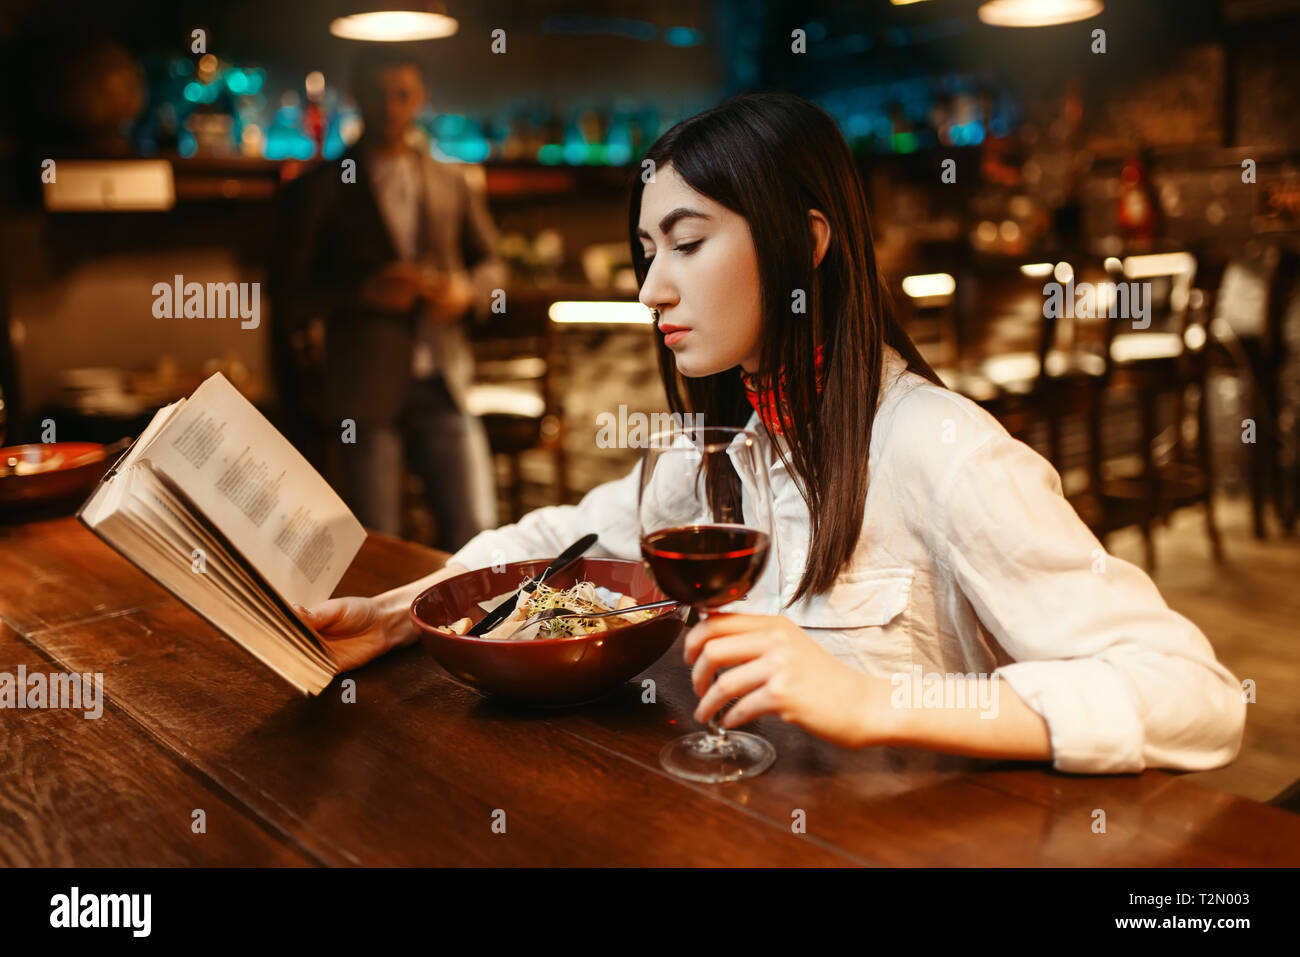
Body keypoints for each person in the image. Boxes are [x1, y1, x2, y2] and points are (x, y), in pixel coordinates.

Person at [296, 91, 1246, 775]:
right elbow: (561, 541)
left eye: (687, 240)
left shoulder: (941, 449)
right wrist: (403, 611)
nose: (649, 287)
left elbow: (1192, 695)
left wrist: (877, 701)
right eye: (645, 251)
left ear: (809, 241)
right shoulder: (723, 448)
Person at [269, 45, 504, 551]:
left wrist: (467, 293)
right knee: (379, 545)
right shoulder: (322, 187)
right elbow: (289, 296)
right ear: (356, 97)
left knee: (476, 534)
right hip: (363, 393)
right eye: (379, 96)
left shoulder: (450, 179)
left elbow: (493, 266)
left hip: (446, 379)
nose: (392, 108)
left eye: (402, 96)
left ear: (421, 97)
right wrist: (363, 292)